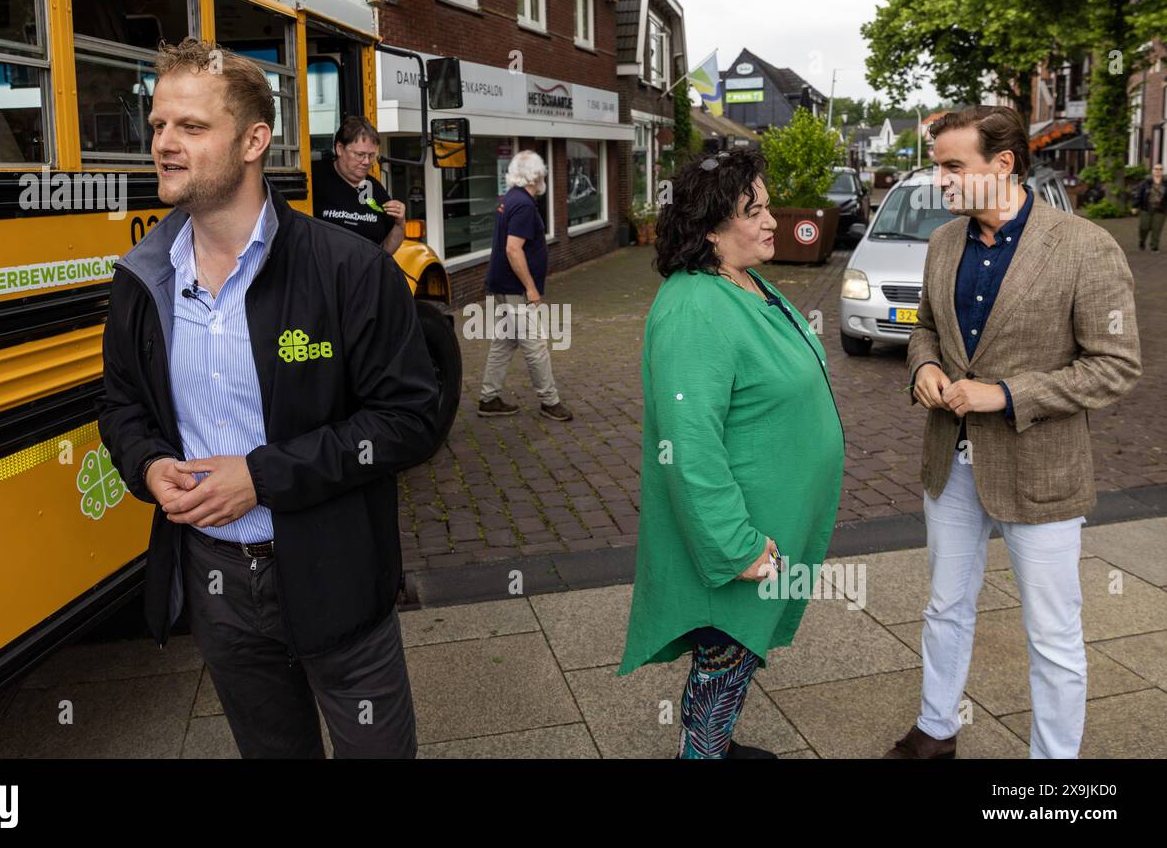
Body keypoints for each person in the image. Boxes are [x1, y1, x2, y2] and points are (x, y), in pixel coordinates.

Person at [97, 38, 438, 758]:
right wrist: (150, 465)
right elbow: (123, 409)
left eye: (191, 127)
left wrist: (261, 477)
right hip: (216, 583)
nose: (164, 144)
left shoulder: (347, 271)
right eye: (158, 125)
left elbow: (409, 420)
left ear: (256, 140)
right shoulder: (141, 279)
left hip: (333, 571)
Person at [895, 105, 1141, 759]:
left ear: (1002, 164)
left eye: (953, 165)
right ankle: (935, 728)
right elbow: (924, 325)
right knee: (945, 606)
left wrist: (1005, 394)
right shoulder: (945, 242)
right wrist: (922, 364)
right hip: (950, 461)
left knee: (1053, 632)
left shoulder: (1086, 247)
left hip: (1042, 470)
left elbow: (1115, 367)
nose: (939, 178)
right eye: (937, 164)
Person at [617, 150, 845, 759]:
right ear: (709, 228)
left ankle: (712, 744)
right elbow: (687, 444)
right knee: (727, 651)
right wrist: (734, 544)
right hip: (743, 533)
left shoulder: (744, 281)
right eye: (755, 210)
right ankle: (703, 752)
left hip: (769, 521)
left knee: (734, 651)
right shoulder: (695, 308)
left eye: (768, 205)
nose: (772, 220)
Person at [476, 150, 572, 421]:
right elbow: (513, 249)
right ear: (536, 174)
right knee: (535, 345)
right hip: (514, 289)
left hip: (502, 285)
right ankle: (549, 401)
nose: (544, 176)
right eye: (542, 171)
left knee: (504, 343)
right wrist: (530, 287)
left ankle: (488, 397)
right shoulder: (525, 205)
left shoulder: (510, 200)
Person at [310, 115, 407, 254]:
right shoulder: (315, 178)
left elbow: (385, 252)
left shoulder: (375, 190)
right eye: (360, 154)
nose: (367, 161)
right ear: (340, 148)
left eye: (371, 155)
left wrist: (400, 224)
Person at [1133, 162, 1165, 251]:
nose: (1158, 171)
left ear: (1162, 171)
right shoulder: (1145, 183)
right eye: (1156, 169)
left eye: (1160, 169)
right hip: (1146, 208)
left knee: (1157, 229)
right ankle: (1142, 241)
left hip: (1160, 210)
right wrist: (1135, 206)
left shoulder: (1165, 183)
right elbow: (1139, 194)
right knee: (1144, 227)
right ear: (1152, 171)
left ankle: (1154, 246)